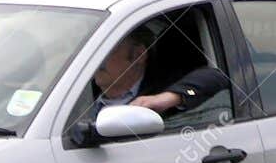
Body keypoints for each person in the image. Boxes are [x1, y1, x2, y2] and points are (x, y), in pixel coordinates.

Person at [90, 25, 228, 118]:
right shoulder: (79, 87)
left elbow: (216, 77)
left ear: (139, 55)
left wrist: (169, 98)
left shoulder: (162, 90)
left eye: (108, 52)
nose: (97, 60)